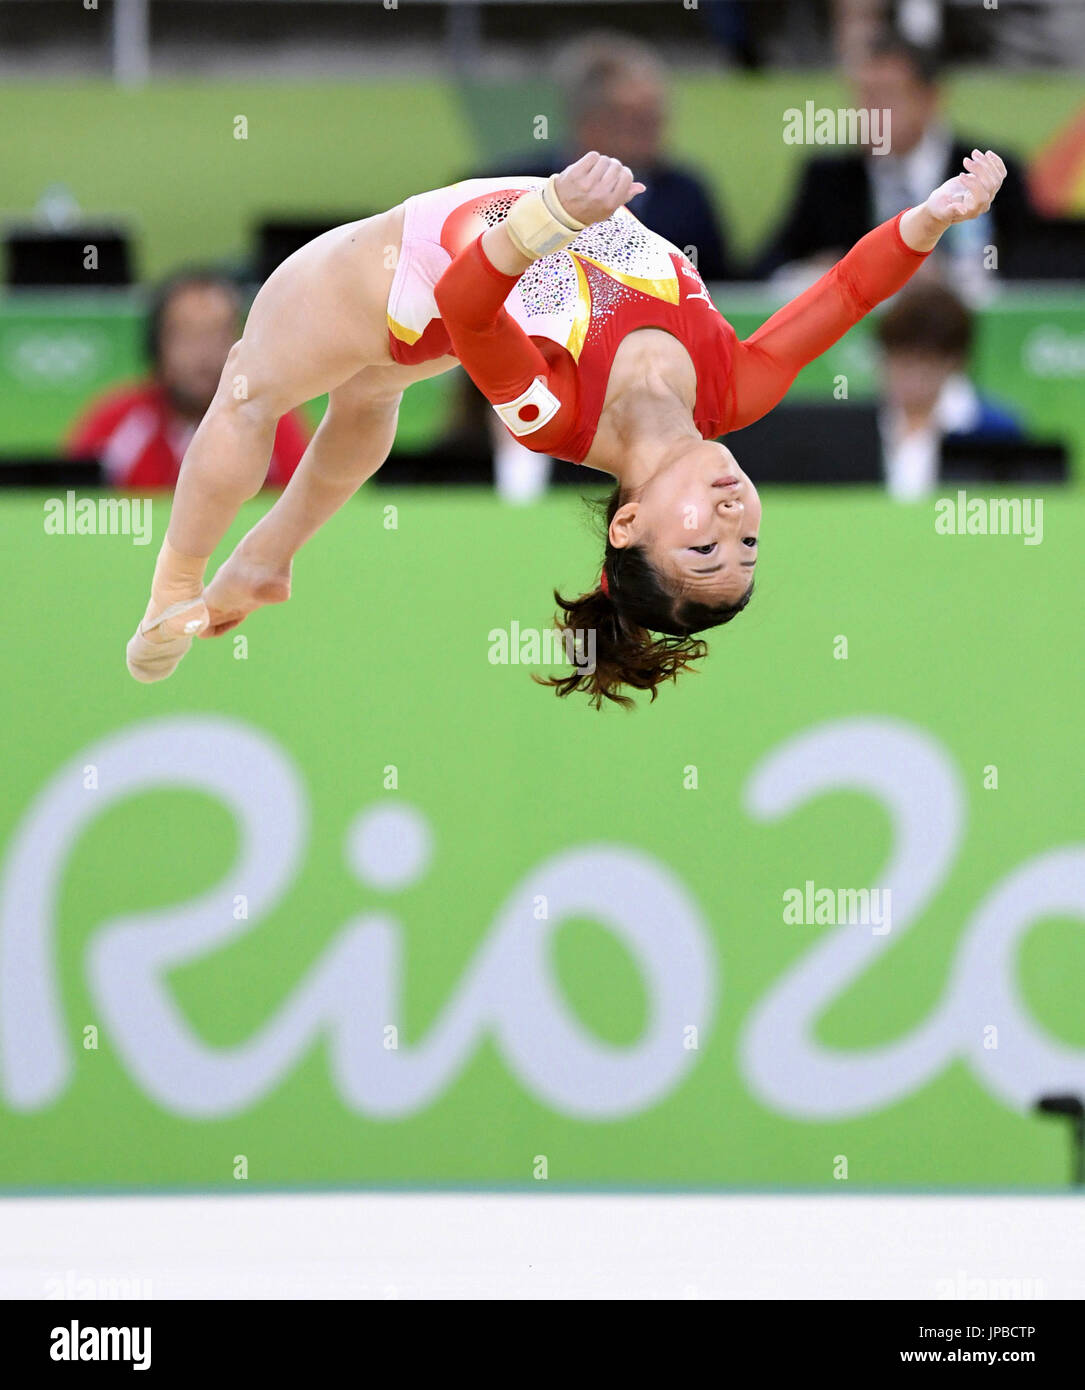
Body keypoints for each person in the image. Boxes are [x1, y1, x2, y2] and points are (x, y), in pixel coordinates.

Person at [126, 147, 1006, 707]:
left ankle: (174, 587)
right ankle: (270, 554)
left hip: (404, 276)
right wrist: (928, 219)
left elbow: (467, 311)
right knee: (366, 401)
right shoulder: (736, 389)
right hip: (473, 262)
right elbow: (846, 292)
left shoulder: (555, 418)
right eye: (749, 549)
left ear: (627, 524)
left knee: (248, 391)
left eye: (706, 550)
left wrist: (550, 215)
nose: (737, 524)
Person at [754, 35, 1033, 293]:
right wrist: (822, 271)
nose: (868, 112)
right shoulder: (828, 178)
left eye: (885, 96)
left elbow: (1034, 268)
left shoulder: (986, 170)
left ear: (930, 99)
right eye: (863, 96)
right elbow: (764, 269)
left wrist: (951, 276)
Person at [68, 270, 309, 489]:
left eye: (218, 334)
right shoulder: (116, 422)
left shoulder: (271, 419)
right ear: (157, 345)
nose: (204, 353)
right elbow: (70, 500)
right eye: (188, 336)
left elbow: (305, 502)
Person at [876, 281, 1023, 501]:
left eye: (924, 363)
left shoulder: (996, 431)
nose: (908, 377)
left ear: (955, 362)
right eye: (898, 361)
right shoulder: (855, 428)